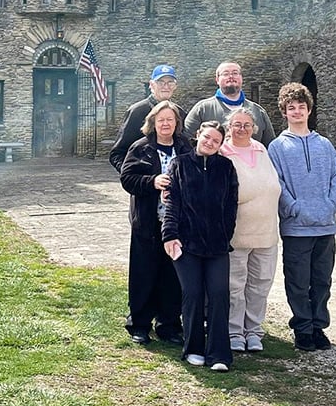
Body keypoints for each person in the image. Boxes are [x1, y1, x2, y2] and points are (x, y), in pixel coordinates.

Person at [267, 83, 336, 352]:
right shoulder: (277, 147)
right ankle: (302, 329)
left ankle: (318, 326)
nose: (297, 111)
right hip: (297, 228)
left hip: (325, 226)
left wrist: (332, 204)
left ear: (309, 110)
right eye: (291, 108)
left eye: (301, 107)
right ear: (284, 113)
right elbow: (277, 183)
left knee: (322, 280)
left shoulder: (324, 145)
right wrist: (295, 208)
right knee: (298, 281)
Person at [162, 121, 238, 372]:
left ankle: (219, 354)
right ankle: (193, 348)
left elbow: (231, 205)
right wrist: (170, 235)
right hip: (187, 243)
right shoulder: (180, 164)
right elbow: (172, 203)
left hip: (217, 245)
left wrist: (225, 233)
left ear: (221, 144)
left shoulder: (226, 168)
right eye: (207, 137)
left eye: (216, 141)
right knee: (192, 294)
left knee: (218, 295)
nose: (210, 143)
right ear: (198, 136)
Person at [119, 100, 189, 346]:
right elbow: (127, 178)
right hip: (148, 222)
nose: (166, 124)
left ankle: (168, 325)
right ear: (153, 123)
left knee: (172, 276)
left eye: (170, 119)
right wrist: (152, 181)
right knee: (144, 274)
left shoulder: (184, 147)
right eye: (161, 120)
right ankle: (139, 324)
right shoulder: (141, 148)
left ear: (177, 123)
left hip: (176, 224)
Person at [220, 107, 281, 353]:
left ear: (254, 127)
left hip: (266, 232)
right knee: (235, 286)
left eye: (246, 124)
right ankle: (234, 331)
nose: (242, 129)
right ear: (228, 127)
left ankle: (254, 330)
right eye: (236, 124)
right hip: (238, 234)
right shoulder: (223, 153)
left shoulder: (261, 149)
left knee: (260, 284)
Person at [109, 65, 185, 173]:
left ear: (175, 86)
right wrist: (132, 177)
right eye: (161, 82)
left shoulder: (179, 113)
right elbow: (117, 153)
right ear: (151, 85)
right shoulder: (137, 111)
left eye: (170, 82)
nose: (166, 86)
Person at [184, 61, 275, 147]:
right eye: (226, 73)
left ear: (241, 78)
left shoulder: (258, 111)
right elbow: (186, 141)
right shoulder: (202, 109)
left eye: (235, 73)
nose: (231, 76)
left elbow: (270, 145)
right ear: (217, 79)